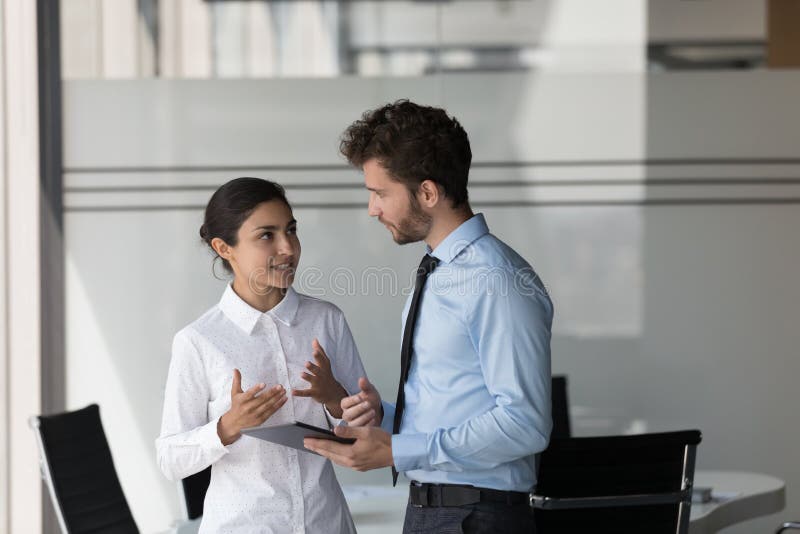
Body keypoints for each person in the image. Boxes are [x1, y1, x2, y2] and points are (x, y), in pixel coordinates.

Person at [304, 100, 553, 534]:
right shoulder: (440, 273)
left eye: (381, 193)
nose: (372, 209)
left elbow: (525, 424)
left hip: (477, 517)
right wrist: (380, 416)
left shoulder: (497, 281)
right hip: (438, 512)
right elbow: (452, 408)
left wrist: (400, 451)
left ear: (428, 193)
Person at [156, 177, 366, 534]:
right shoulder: (199, 341)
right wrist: (227, 426)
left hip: (326, 523)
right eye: (267, 235)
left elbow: (366, 437)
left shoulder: (327, 321)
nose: (288, 248)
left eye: (291, 230)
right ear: (225, 248)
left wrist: (335, 398)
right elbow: (171, 460)